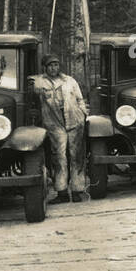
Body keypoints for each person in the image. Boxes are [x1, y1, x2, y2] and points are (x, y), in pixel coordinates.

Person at [33, 54, 89, 203]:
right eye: (50, 65)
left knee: (76, 155)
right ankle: (62, 192)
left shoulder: (70, 81)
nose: (54, 68)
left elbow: (80, 99)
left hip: (74, 122)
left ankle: (77, 190)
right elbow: (34, 94)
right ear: (45, 67)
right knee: (59, 157)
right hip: (54, 124)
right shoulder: (40, 83)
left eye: (56, 65)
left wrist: (83, 114)